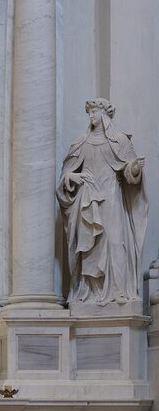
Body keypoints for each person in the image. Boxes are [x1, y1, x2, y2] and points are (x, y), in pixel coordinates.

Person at [57, 99, 147, 307]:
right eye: (89, 113)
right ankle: (90, 292)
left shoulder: (119, 141)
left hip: (111, 194)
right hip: (88, 198)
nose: (91, 116)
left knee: (115, 241)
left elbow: (129, 174)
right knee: (91, 245)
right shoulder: (81, 142)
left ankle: (118, 291)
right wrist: (72, 178)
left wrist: (135, 167)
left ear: (104, 115)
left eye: (94, 112)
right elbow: (66, 175)